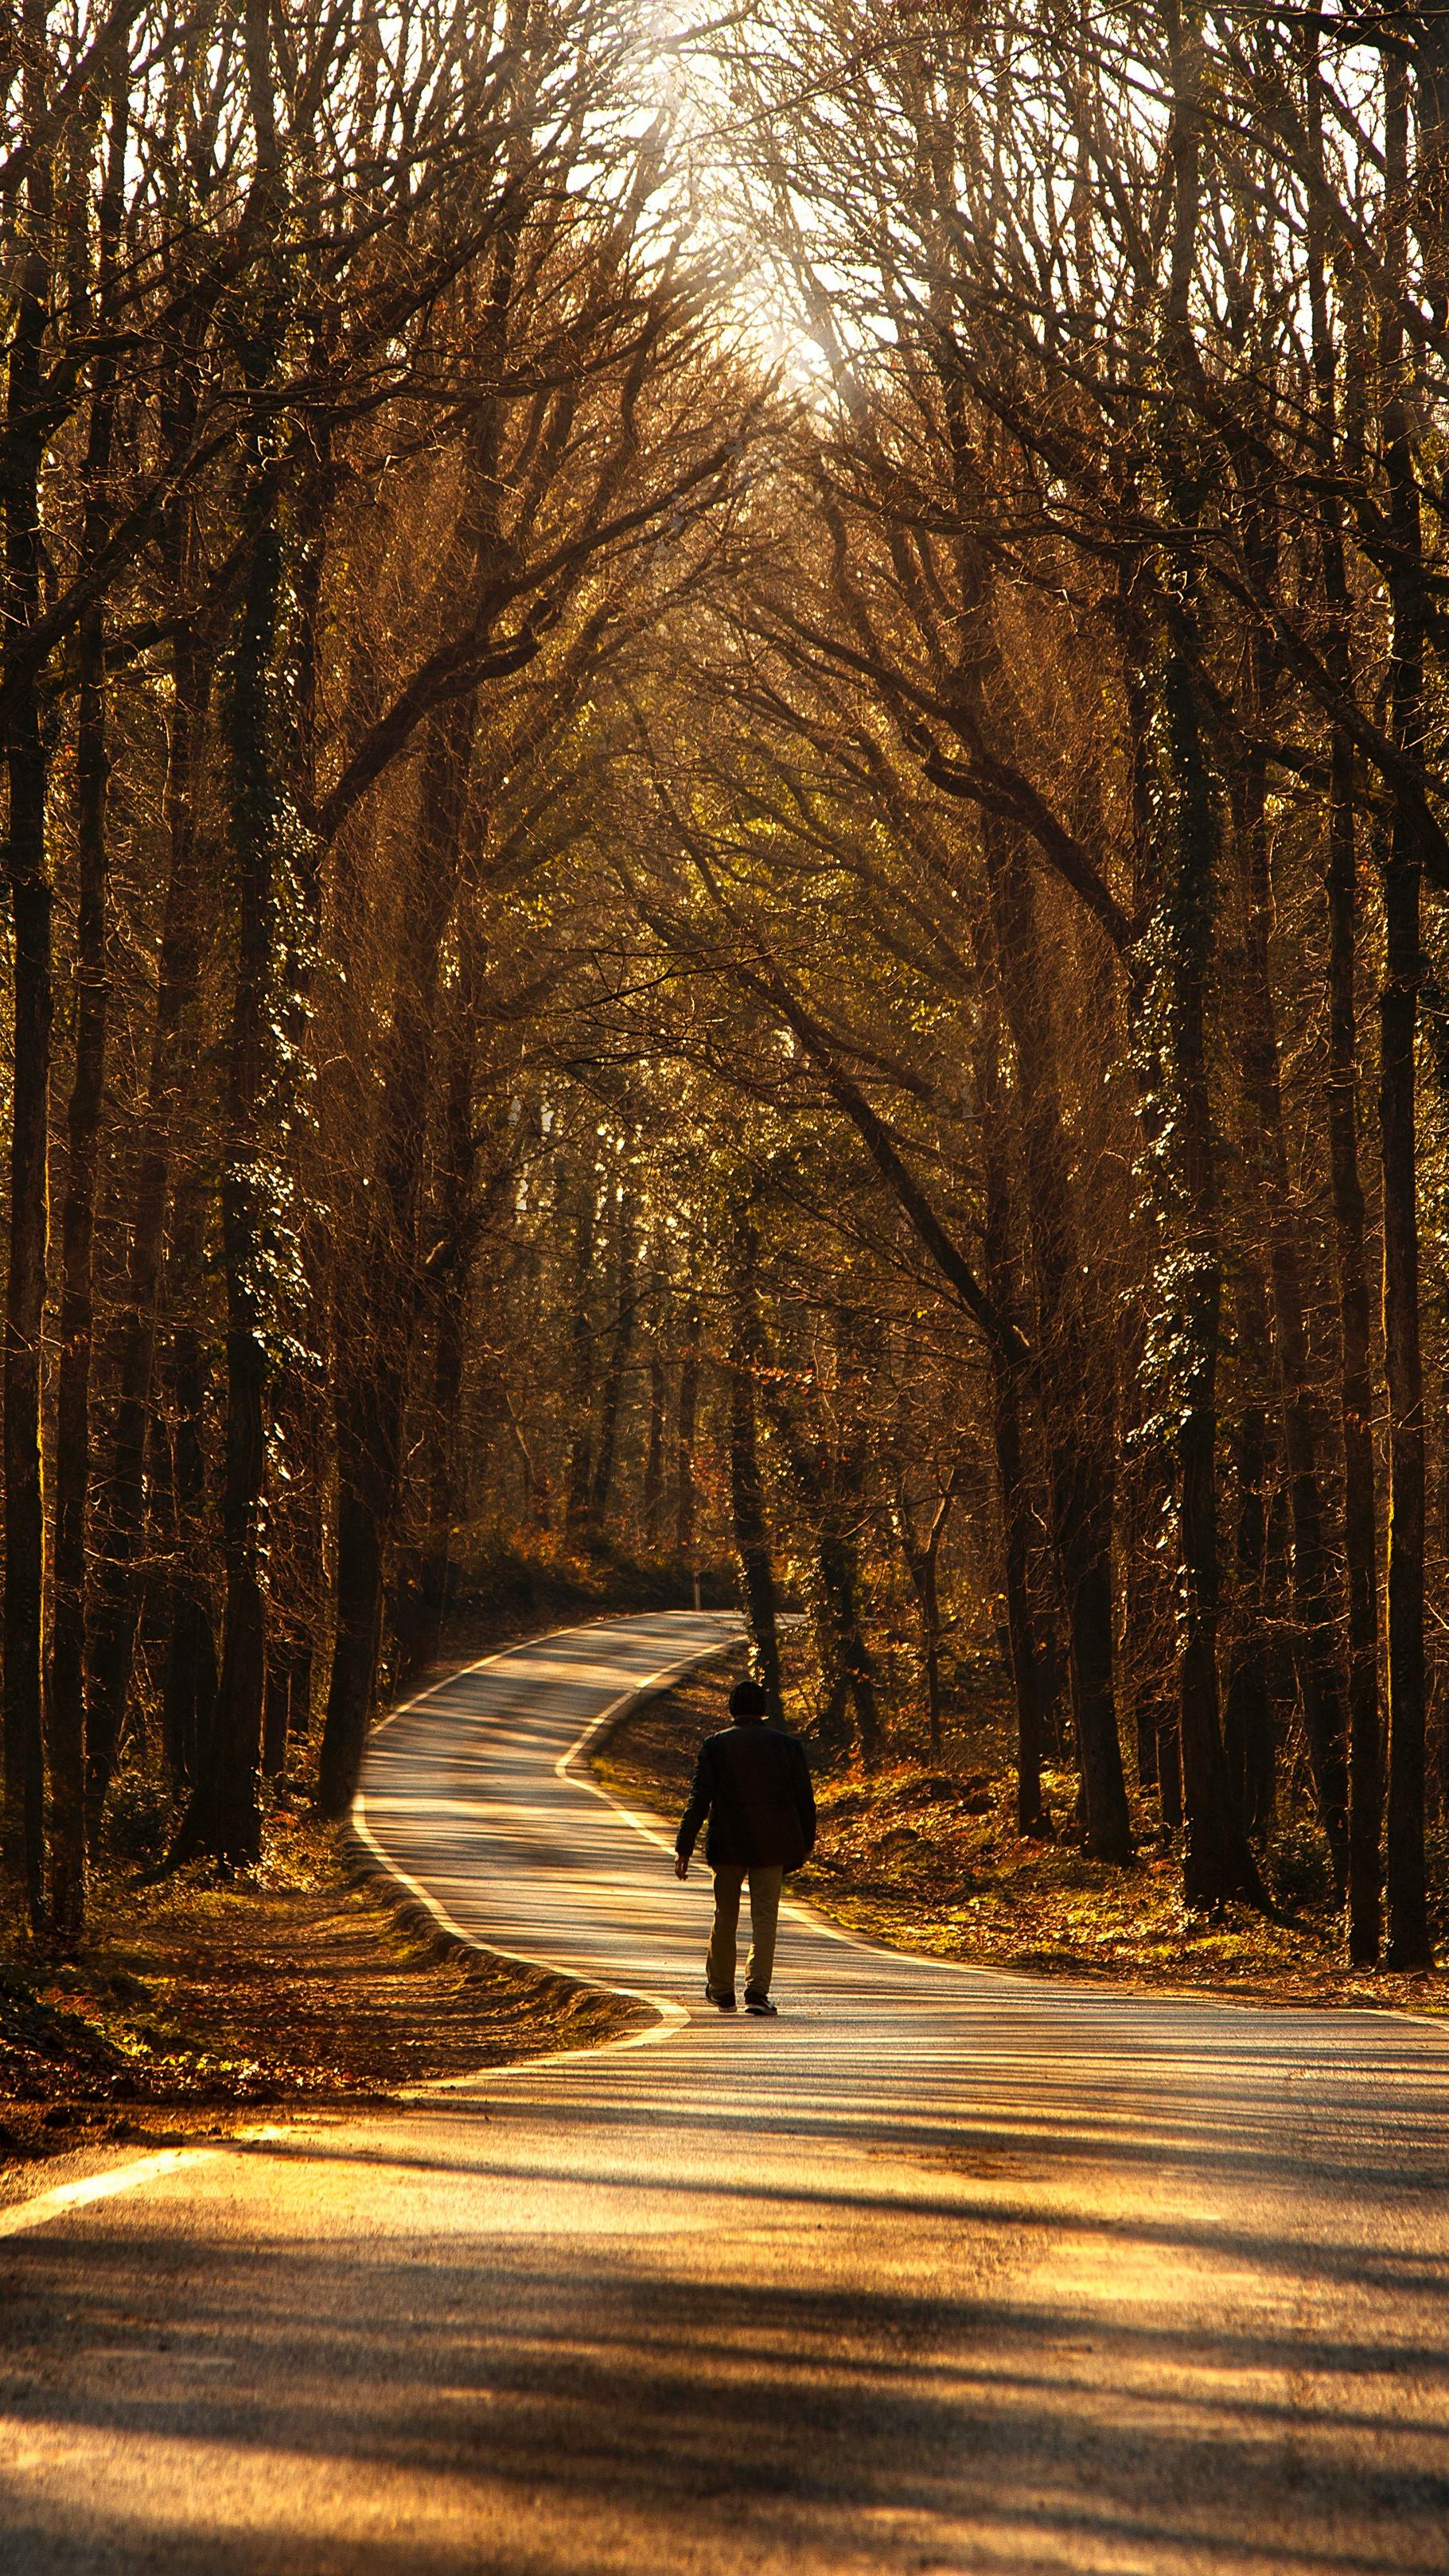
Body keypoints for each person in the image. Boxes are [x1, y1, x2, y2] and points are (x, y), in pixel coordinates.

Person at [672, 1676, 816, 2016]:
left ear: (732, 1709)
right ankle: (757, 1992)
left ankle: (722, 1991)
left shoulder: (715, 1746)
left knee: (725, 1916)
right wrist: (806, 1843)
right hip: (772, 1846)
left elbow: (699, 1799)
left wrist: (684, 1846)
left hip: (728, 1844)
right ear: (763, 1710)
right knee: (764, 1918)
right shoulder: (788, 1747)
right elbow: (805, 1801)